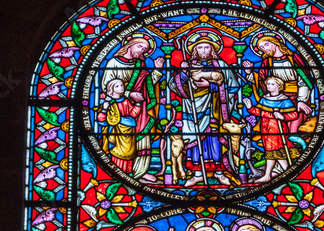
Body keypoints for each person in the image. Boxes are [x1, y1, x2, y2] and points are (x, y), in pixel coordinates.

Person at [171, 31, 237, 187]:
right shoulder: (188, 65)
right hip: (192, 108)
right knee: (194, 139)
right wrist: (183, 73)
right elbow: (174, 85)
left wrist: (211, 86)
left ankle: (219, 173)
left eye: (207, 47)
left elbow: (233, 86)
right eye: (200, 47)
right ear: (195, 50)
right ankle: (197, 174)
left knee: (214, 138)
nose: (203, 51)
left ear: (212, 49)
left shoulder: (221, 65)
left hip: (214, 107)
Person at [100, 33, 163, 180]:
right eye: (140, 46)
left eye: (145, 49)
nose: (142, 51)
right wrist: (129, 94)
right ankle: (119, 170)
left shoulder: (140, 64)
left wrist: (157, 70)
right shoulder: (113, 63)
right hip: (119, 109)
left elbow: (148, 84)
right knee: (122, 141)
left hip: (140, 107)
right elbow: (106, 87)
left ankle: (140, 171)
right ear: (130, 45)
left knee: (143, 138)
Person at [243, 76, 300, 182]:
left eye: (272, 84)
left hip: (277, 129)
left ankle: (278, 173)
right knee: (273, 152)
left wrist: (283, 116)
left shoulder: (284, 100)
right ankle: (286, 172)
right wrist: (250, 108)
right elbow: (260, 112)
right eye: (268, 84)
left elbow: (294, 114)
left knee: (274, 151)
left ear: (279, 86)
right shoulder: (265, 98)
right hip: (265, 129)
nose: (269, 86)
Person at [97, 78, 139, 173]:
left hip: (129, 133)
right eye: (117, 86)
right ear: (111, 89)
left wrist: (138, 104)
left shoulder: (126, 101)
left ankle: (128, 174)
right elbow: (101, 120)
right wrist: (104, 109)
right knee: (116, 154)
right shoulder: (108, 102)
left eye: (122, 85)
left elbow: (133, 114)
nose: (121, 87)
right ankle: (117, 172)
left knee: (129, 154)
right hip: (115, 133)